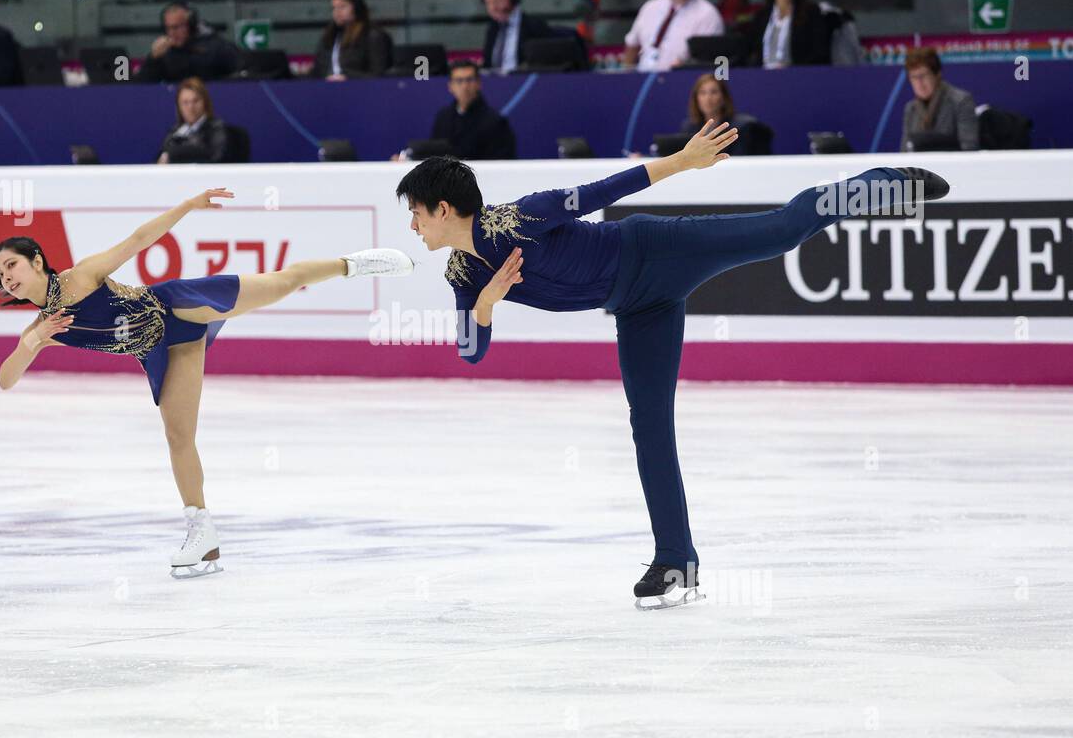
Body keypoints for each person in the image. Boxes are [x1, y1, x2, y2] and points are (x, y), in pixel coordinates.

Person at [395, 132, 949, 606]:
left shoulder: (519, 218)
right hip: (638, 308)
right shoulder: (463, 274)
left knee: (781, 231)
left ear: (443, 208)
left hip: (655, 250)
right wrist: (488, 299)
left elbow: (603, 191)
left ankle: (880, 182)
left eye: (416, 213)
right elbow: (470, 350)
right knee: (650, 426)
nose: (413, 226)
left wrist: (683, 160)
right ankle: (675, 561)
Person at [0, 190, 415, 579]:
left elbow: (138, 240)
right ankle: (203, 532)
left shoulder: (80, 277)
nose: (8, 277)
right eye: (2, 274)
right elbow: (5, 379)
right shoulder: (42, 329)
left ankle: (354, 264)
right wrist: (34, 341)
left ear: (37, 261)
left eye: (12, 264)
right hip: (165, 349)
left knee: (279, 284)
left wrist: (188, 206)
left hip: (175, 306)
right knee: (178, 436)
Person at [621, 0, 723, 72]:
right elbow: (632, 46)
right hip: (644, 77)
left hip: (680, 79)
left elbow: (706, 61)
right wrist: (626, 75)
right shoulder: (650, 7)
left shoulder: (707, 14)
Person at [741, 0, 831, 68]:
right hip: (764, 75)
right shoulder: (761, 16)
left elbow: (820, 54)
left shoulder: (811, 13)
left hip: (797, 75)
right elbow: (748, 51)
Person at [424, 60, 516, 160]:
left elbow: (502, 161)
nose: (465, 86)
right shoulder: (443, 118)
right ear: (450, 86)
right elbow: (434, 155)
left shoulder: (495, 121)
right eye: (459, 81)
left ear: (478, 84)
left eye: (469, 80)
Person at [135, 3, 242, 84]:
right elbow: (142, 85)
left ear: (191, 26)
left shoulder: (216, 46)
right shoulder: (164, 53)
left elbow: (241, 71)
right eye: (168, 28)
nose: (171, 33)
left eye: (176, 27)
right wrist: (153, 59)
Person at [900, 46, 979, 152]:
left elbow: (969, 149)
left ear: (937, 74)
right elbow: (905, 151)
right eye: (914, 77)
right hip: (920, 163)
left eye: (923, 75)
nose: (919, 83)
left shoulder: (961, 101)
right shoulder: (911, 109)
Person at [309, 0, 392, 80]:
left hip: (357, 87)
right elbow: (318, 71)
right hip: (326, 87)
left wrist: (347, 78)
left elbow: (379, 76)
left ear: (356, 8)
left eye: (342, 6)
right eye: (334, 8)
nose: (337, 12)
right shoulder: (330, 37)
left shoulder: (373, 36)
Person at [480, 0, 556, 73]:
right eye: (488, 2)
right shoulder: (492, 28)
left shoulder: (534, 27)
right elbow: (488, 65)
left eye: (497, 1)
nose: (492, 8)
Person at [156, 77, 237, 164]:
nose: (191, 107)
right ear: (178, 106)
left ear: (205, 102)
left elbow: (217, 157)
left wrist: (175, 154)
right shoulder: (174, 133)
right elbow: (159, 161)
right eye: (185, 102)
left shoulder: (217, 128)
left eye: (195, 101)